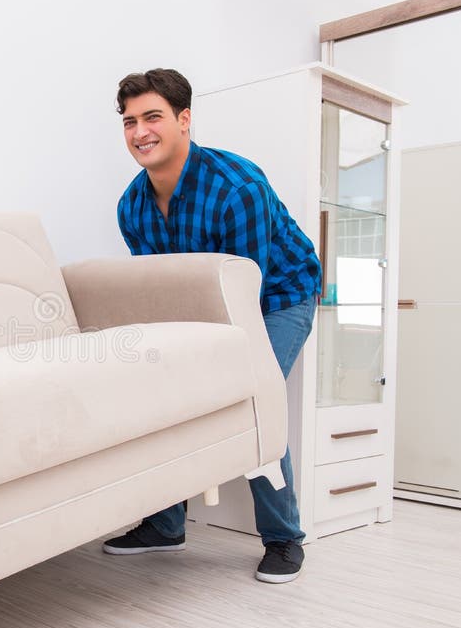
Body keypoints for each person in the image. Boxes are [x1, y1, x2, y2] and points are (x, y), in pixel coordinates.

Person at [103, 68, 322, 584]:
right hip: (203, 304)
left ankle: (284, 538)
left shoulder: (237, 188)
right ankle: (165, 526)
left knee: (253, 401)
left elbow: (244, 292)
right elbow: (160, 288)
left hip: (277, 296)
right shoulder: (131, 206)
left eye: (152, 117)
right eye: (130, 122)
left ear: (184, 119)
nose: (140, 132)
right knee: (166, 401)